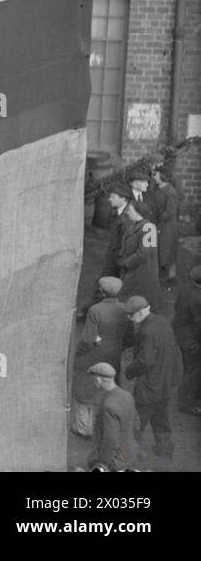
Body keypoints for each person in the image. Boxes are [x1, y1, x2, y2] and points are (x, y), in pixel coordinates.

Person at [123, 295, 182, 461]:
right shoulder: (162, 321)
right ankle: (165, 449)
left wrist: (129, 371)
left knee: (137, 419)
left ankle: (130, 451)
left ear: (141, 312)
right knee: (161, 417)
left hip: (149, 385)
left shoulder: (147, 331)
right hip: (165, 381)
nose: (129, 318)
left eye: (131, 315)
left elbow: (145, 361)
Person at [71, 276, 130, 437]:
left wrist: (84, 349)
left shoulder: (95, 310)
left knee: (84, 390)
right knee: (106, 388)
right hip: (113, 355)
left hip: (92, 356)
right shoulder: (124, 309)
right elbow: (130, 336)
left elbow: (89, 339)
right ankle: (103, 425)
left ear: (102, 292)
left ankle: (84, 428)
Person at [85, 362, 136, 471]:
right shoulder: (127, 396)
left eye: (94, 380)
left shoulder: (108, 406)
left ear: (98, 380)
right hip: (128, 453)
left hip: (114, 461)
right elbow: (136, 424)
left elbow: (110, 440)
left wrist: (102, 464)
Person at [146, 166, 180, 287]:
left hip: (167, 226)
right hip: (158, 223)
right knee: (158, 249)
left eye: (156, 174)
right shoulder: (157, 189)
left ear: (163, 176)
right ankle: (158, 275)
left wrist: (158, 221)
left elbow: (170, 212)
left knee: (166, 250)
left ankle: (167, 278)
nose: (154, 177)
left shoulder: (171, 192)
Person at [174, 265, 201, 417]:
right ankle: (186, 403)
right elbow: (199, 325)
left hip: (182, 335)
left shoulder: (186, 290)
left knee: (189, 368)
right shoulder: (198, 299)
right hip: (192, 341)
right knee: (193, 371)